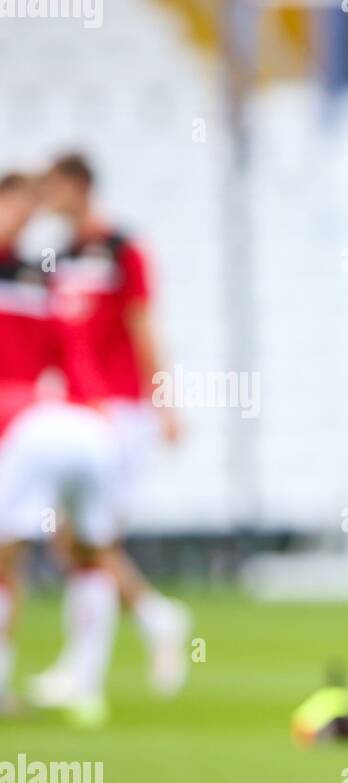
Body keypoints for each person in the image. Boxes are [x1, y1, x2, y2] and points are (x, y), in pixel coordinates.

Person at [30, 152, 189, 708]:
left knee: (92, 540)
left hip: (121, 409)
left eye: (55, 186)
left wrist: (164, 402)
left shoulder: (124, 249)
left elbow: (143, 326)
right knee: (74, 540)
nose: (48, 198)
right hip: (76, 410)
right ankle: (153, 617)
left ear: (79, 186)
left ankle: (85, 669)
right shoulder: (59, 258)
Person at [0, 171, 120, 725]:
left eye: (27, 207)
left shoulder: (36, 276)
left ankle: (82, 683)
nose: (23, 216)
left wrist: (91, 401)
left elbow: (68, 354)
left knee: (74, 550)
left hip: (36, 429)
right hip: (25, 426)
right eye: (16, 205)